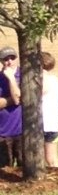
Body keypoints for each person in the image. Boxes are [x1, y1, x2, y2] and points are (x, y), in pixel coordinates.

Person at [37, 48, 58, 172]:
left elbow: (40, 92)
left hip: (43, 124)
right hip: (53, 124)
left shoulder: (43, 79)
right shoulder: (55, 80)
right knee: (52, 158)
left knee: (47, 158)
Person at [0, 48, 20, 176]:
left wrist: (11, 79)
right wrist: (14, 98)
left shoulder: (25, 75)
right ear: (1, 61)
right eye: (6, 59)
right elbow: (18, 99)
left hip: (22, 130)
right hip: (2, 132)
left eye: (12, 58)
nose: (9, 61)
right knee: (3, 170)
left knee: (25, 168)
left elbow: (19, 99)